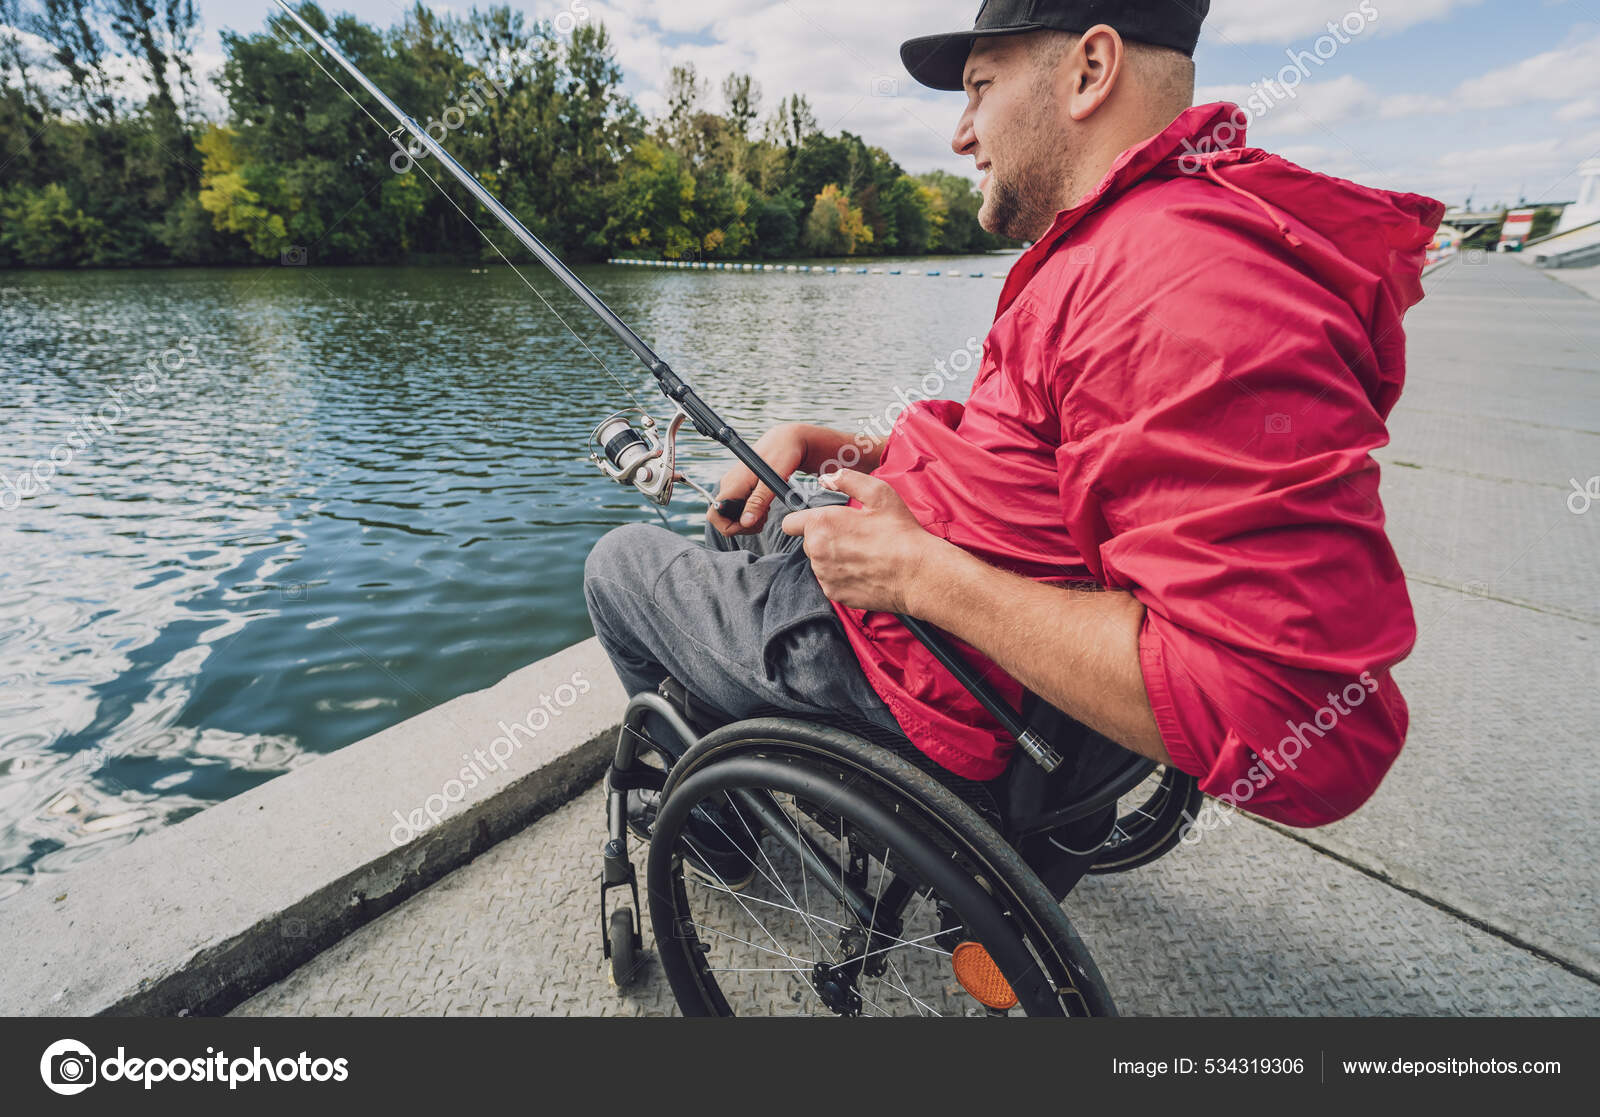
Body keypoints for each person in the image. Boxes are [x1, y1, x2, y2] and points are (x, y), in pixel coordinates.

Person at [583, 0, 1442, 832]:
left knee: (618, 567)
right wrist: (839, 448)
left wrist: (917, 575)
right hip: (934, 627)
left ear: (1090, 70)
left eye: (981, 86)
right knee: (761, 519)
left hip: (925, 669)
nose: (961, 134)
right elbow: (1034, 453)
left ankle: (721, 827)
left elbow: (1300, 729)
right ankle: (736, 719)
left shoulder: (1173, 284)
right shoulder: (1124, 243)